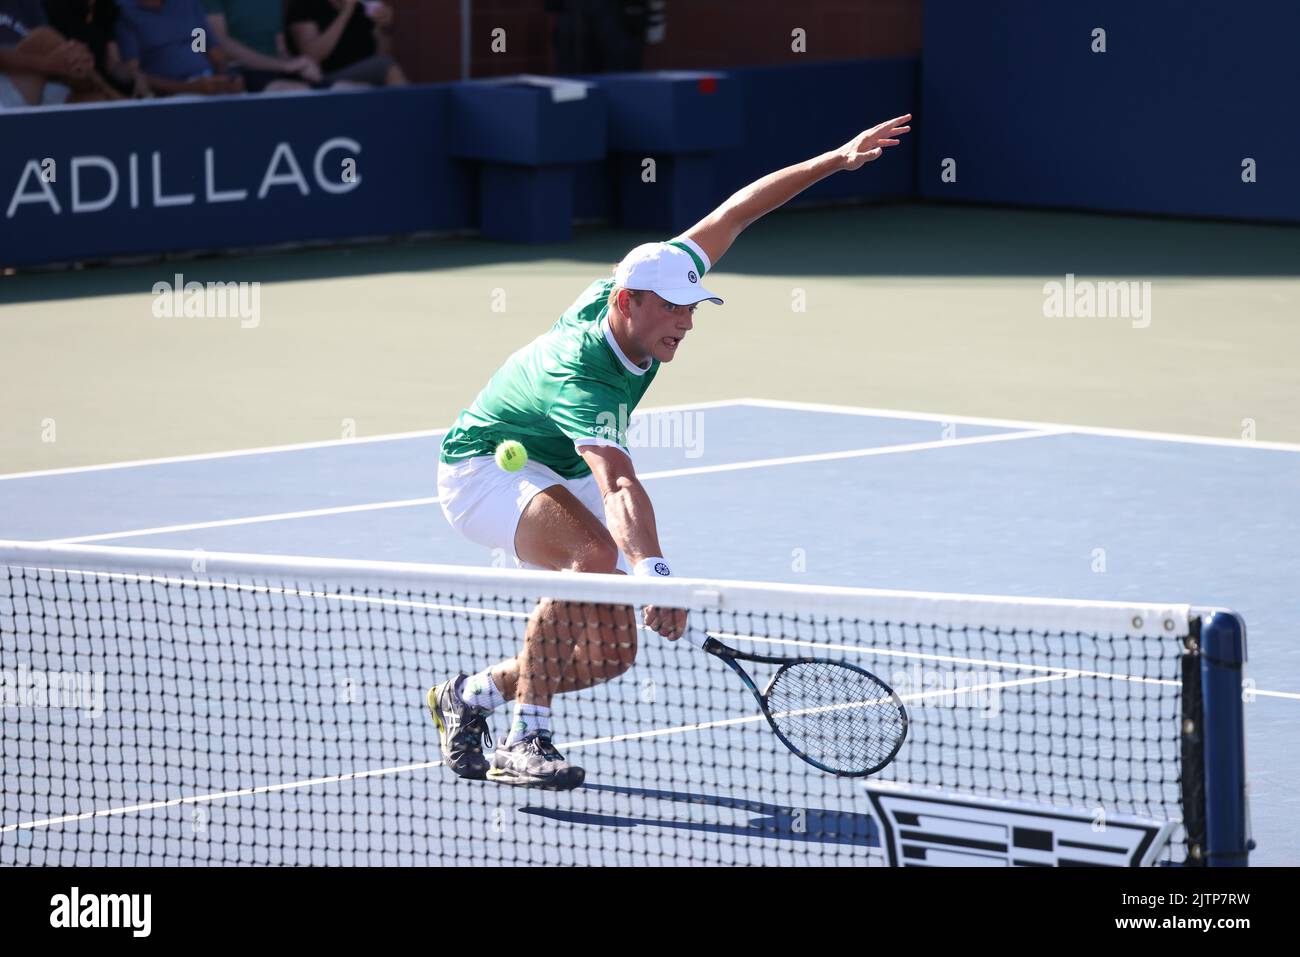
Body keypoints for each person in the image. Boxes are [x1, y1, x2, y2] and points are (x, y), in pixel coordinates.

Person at [428, 113, 914, 789]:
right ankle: (525, 737)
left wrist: (835, 157)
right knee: (592, 557)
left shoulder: (653, 274)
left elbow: (738, 211)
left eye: (693, 307)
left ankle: (471, 696)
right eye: (673, 309)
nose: (687, 322)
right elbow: (618, 483)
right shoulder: (582, 371)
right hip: (482, 465)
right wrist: (655, 571)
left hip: (553, 464)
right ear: (626, 303)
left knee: (609, 655)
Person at [0, 0, 120, 106]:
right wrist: (48, 64)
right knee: (43, 37)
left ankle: (109, 93)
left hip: (37, 80)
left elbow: (55, 48)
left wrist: (73, 57)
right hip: (7, 82)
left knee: (96, 101)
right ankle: (111, 92)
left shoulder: (28, 3)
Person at [115, 0, 244, 98]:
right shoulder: (125, 11)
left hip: (211, 85)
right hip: (172, 97)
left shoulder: (187, 3)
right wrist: (189, 88)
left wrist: (227, 80)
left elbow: (213, 52)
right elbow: (136, 75)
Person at [201, 0, 320, 93]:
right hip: (239, 71)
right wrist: (283, 65)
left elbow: (280, 48)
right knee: (298, 92)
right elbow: (220, 44)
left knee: (335, 88)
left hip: (275, 69)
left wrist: (301, 65)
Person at [286, 0, 405, 88]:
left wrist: (384, 28)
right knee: (385, 66)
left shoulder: (364, 7)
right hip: (320, 79)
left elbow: (382, 56)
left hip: (363, 78)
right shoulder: (304, 5)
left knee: (386, 67)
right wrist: (345, 13)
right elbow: (312, 56)